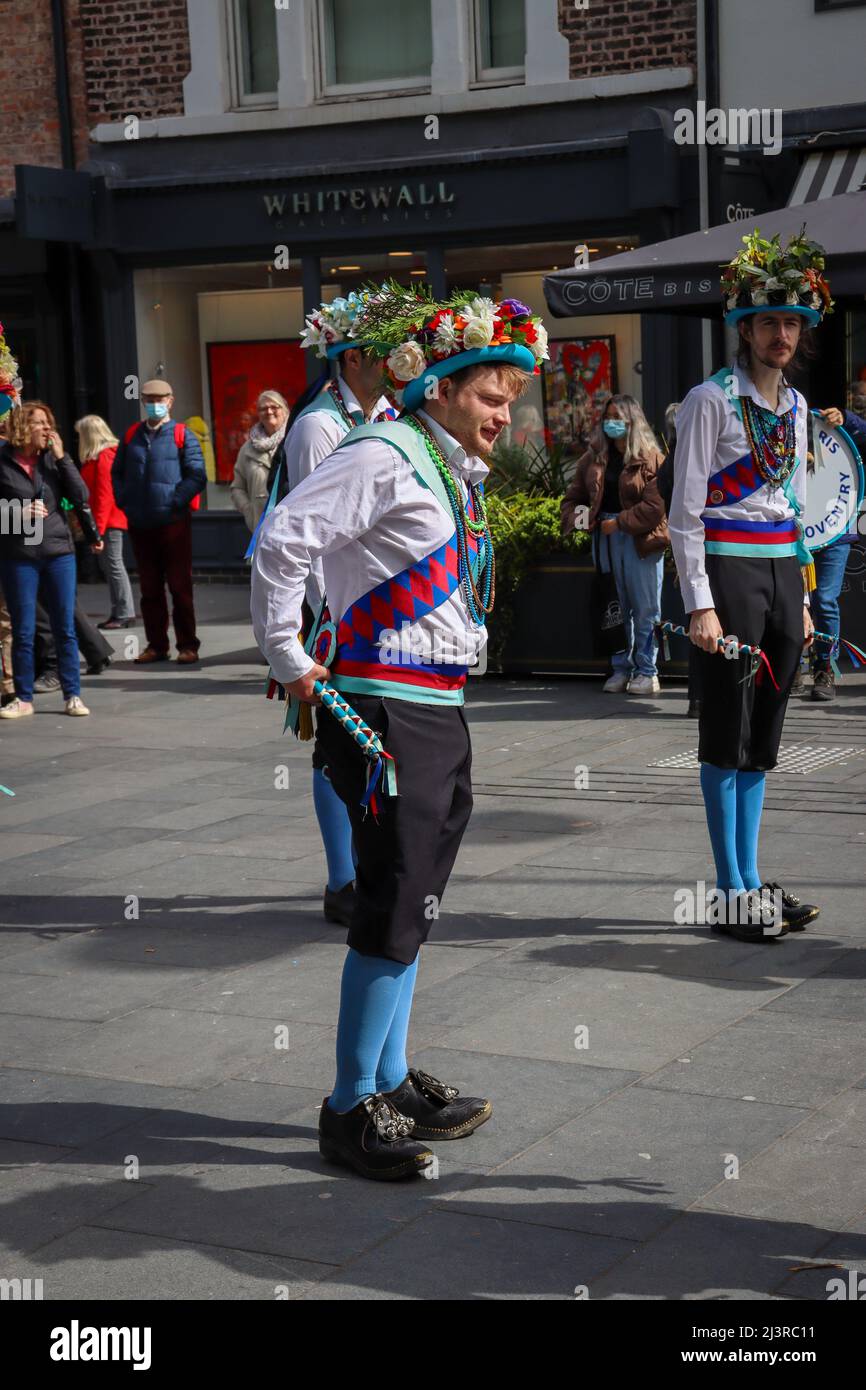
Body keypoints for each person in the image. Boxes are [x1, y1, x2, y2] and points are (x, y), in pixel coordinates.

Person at [251, 285, 549, 1180]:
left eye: (511, 399)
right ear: (444, 385)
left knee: (414, 898)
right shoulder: (384, 451)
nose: (505, 412)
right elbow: (281, 540)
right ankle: (348, 1108)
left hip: (431, 705)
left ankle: (387, 1078)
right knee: (389, 902)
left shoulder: (436, 459)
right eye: (493, 394)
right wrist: (289, 655)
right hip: (384, 707)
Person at [669, 227, 832, 940]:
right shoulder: (710, 400)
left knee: (764, 735)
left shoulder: (796, 409)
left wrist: (800, 596)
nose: (781, 334)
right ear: (743, 327)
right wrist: (699, 603)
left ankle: (751, 875)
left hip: (777, 573)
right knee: (724, 733)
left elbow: (796, 507)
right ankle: (730, 889)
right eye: (768, 321)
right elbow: (684, 514)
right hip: (730, 573)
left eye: (792, 322)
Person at [253, 294, 396, 929]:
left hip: (377, 603)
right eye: (387, 351)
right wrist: (327, 620)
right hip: (334, 608)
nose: (399, 362)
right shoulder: (318, 425)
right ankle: (342, 879)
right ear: (357, 357)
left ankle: (369, 868)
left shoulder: (386, 412)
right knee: (333, 741)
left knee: (372, 734)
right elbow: (305, 534)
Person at [0, 401, 102, 719]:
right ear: (22, 427)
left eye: (48, 422)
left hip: (58, 552)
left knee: (64, 627)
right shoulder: (2, 462)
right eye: (39, 423)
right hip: (19, 555)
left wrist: (62, 457)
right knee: (24, 629)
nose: (47, 428)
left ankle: (73, 696)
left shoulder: (53, 461)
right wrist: (18, 513)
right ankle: (23, 698)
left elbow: (81, 496)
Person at [561, 394, 668, 695]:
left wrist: (619, 523)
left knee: (646, 608)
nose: (612, 423)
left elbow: (655, 508)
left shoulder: (651, 459)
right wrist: (583, 520)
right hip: (604, 538)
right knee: (614, 606)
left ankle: (648, 671)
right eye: (608, 417)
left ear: (633, 421)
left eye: (618, 417)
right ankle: (621, 667)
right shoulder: (593, 457)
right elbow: (573, 499)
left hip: (641, 540)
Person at [111, 378, 206, 664]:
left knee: (180, 587)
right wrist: (125, 502)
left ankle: (187, 645)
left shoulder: (182, 434)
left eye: (159, 399)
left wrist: (175, 501)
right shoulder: (131, 436)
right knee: (150, 589)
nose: (154, 404)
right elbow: (117, 473)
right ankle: (156, 645)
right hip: (141, 523)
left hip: (174, 523)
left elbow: (197, 475)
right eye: (149, 400)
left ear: (170, 401)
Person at [801, 392, 866, 701]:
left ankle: (824, 668)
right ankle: (792, 668)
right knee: (791, 604)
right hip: (794, 535)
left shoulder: (836, 432)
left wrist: (846, 418)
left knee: (825, 599)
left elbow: (863, 435)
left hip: (836, 531)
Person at [74, 414, 136, 630]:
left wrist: (96, 531)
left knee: (114, 566)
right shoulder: (101, 457)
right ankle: (119, 611)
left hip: (109, 520)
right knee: (110, 567)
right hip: (106, 520)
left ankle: (124, 612)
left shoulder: (104, 458)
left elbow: (104, 496)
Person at [230, 391, 289, 532]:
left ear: (285, 410)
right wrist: (249, 511)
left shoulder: (294, 439)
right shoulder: (247, 448)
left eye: (274, 407)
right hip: (260, 528)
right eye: (263, 408)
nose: (269, 411)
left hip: (290, 524)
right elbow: (237, 488)